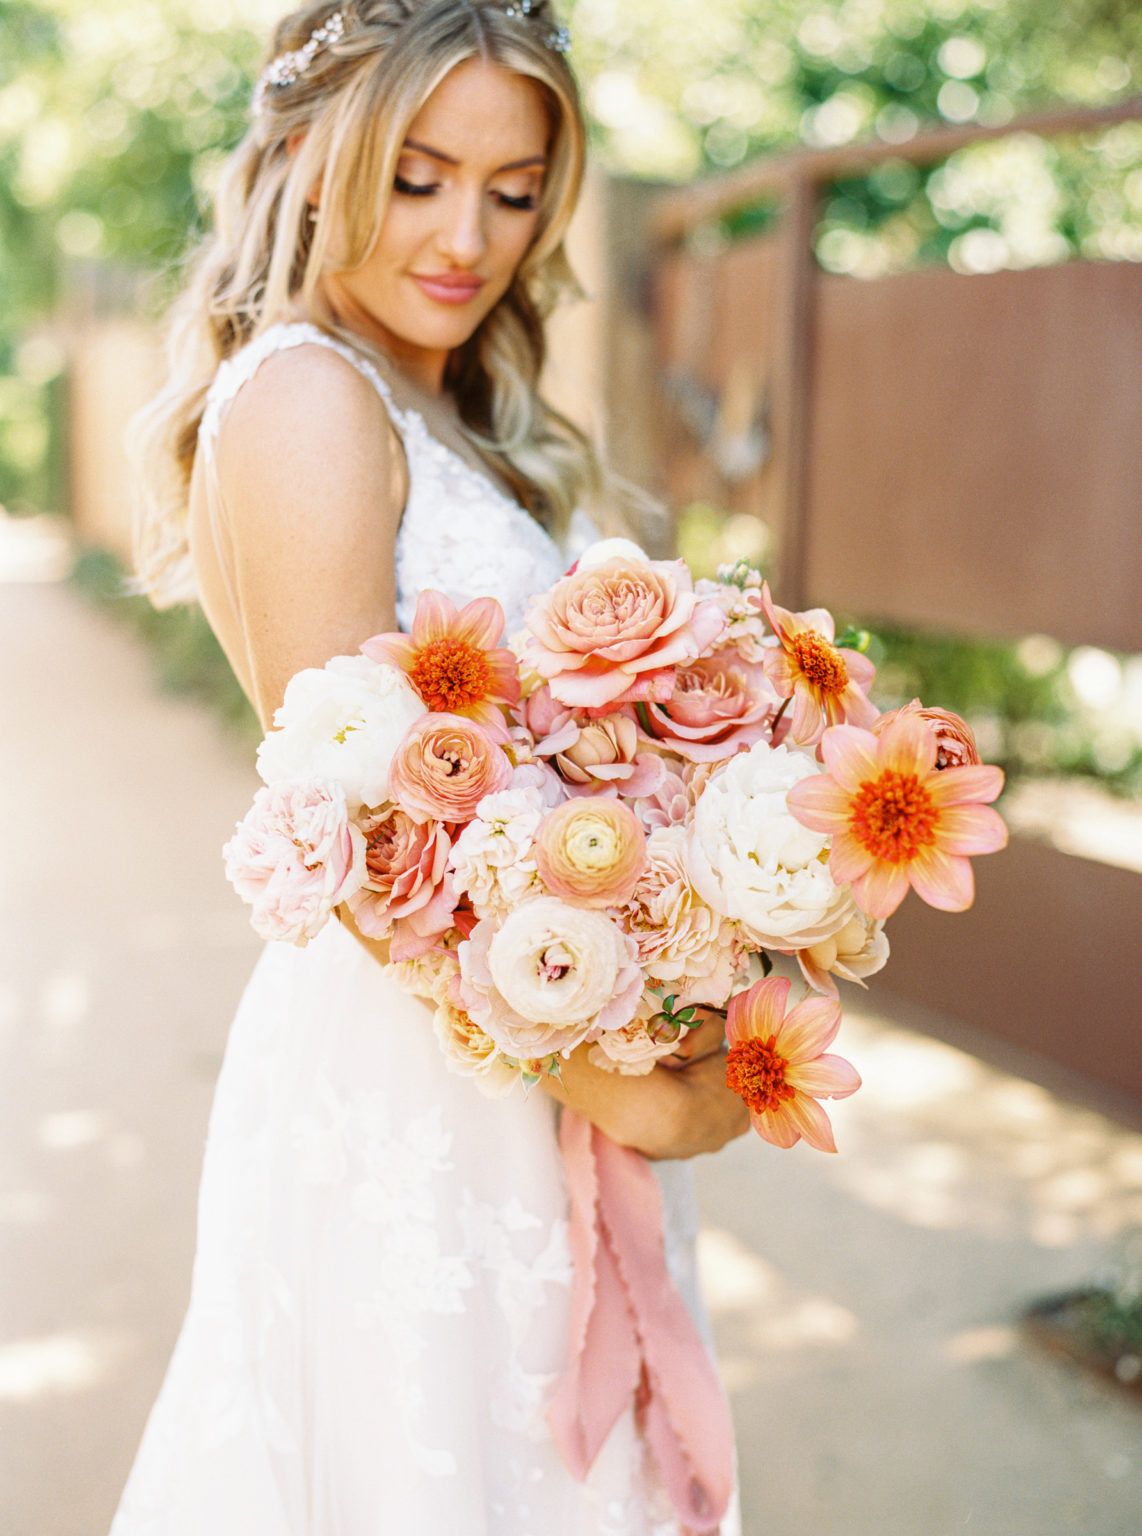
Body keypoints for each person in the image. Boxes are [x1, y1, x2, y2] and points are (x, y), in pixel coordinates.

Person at [114, 3, 748, 1531]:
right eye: (417, 175)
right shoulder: (312, 397)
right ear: (312, 160)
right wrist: (632, 1090)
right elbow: (361, 835)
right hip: (421, 1073)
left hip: (509, 1040)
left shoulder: (431, 404)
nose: (468, 235)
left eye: (515, 188)